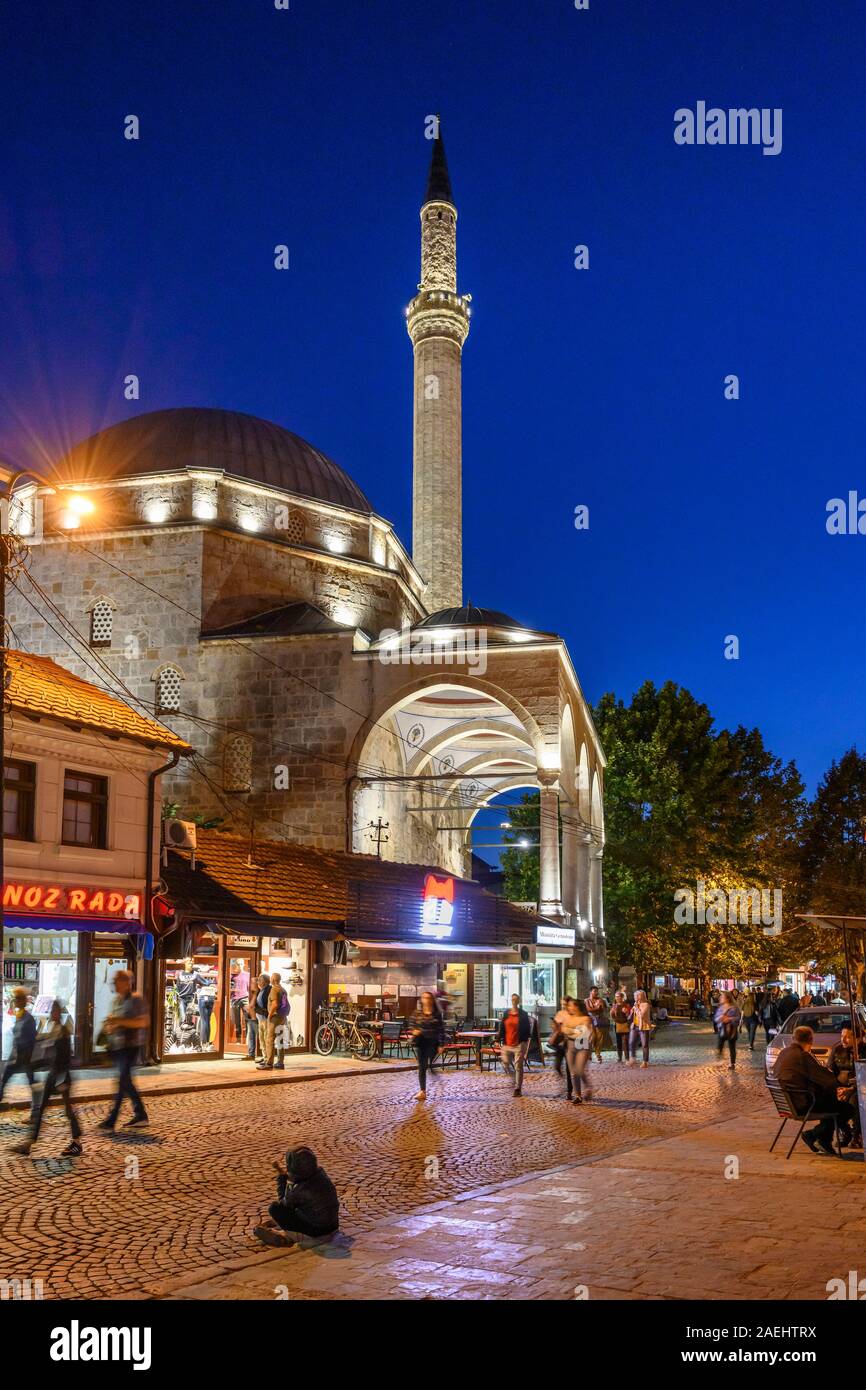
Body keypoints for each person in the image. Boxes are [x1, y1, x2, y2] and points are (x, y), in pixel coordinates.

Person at [11, 1000, 82, 1157]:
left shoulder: (62, 1031)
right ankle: (29, 1142)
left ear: (59, 1012)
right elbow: (50, 1056)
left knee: (68, 1110)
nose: (52, 1013)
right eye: (51, 1011)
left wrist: (61, 1078)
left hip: (61, 1077)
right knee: (42, 1108)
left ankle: (76, 1142)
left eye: (54, 1011)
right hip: (53, 1075)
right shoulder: (54, 1028)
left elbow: (64, 1058)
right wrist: (36, 1064)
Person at [773, 1024, 857, 1156]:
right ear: (810, 1040)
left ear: (794, 1038)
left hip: (788, 1103)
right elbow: (826, 1079)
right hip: (804, 1103)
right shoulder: (803, 1056)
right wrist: (840, 1087)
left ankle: (824, 1140)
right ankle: (814, 1135)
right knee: (846, 1109)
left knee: (831, 1102)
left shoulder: (784, 1053)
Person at [254, 1145, 340, 1247]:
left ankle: (289, 1236)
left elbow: (283, 1204)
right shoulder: (322, 1174)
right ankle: (287, 1233)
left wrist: (282, 1180)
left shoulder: (297, 1189)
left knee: (274, 1208)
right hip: (333, 1225)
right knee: (303, 1208)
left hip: (316, 1230)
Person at [98, 970, 149, 1131]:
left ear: (127, 982)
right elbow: (113, 1021)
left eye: (117, 980)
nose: (114, 983)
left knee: (122, 1081)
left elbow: (143, 1022)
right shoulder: (115, 1001)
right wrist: (109, 1027)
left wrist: (119, 1021)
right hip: (118, 1046)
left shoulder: (136, 1000)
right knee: (124, 1081)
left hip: (131, 1046)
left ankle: (112, 1120)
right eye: (113, 980)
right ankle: (140, 1115)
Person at [0, 987, 37, 1114]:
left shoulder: (28, 1018)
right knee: (4, 1079)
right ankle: (36, 1111)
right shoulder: (20, 1016)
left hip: (25, 1057)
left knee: (32, 1083)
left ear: (22, 1001)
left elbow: (32, 1038)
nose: (14, 1001)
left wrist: (25, 1054)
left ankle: (36, 1111)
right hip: (17, 1055)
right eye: (14, 998)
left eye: (16, 999)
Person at [829, 1027, 863, 1149]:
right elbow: (831, 1071)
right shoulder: (837, 1050)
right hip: (840, 1087)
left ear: (857, 1039)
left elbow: (863, 1075)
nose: (843, 1039)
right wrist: (836, 1088)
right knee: (830, 1100)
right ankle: (844, 1132)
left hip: (857, 1088)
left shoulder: (862, 1052)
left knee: (855, 1101)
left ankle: (857, 1134)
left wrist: (851, 1088)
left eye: (847, 1036)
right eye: (841, 1035)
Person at [410, 990, 443, 1100]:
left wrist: (441, 1044)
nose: (426, 1000)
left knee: (430, 1063)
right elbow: (411, 1024)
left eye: (428, 998)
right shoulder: (417, 1013)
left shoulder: (437, 1014)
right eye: (424, 998)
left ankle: (432, 1069)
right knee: (422, 1067)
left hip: (433, 1042)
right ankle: (422, 1091)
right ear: (421, 1000)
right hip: (421, 1042)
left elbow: (441, 1029)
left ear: (432, 1000)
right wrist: (414, 1031)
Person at [560, 997, 593, 1104]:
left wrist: (571, 1031)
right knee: (573, 1073)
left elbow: (584, 1033)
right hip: (570, 1046)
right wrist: (575, 1030)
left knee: (579, 1069)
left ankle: (588, 1087)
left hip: (582, 1045)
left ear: (577, 1006)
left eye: (570, 1005)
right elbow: (563, 1029)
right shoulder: (568, 1018)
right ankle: (578, 1095)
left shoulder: (585, 1019)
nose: (568, 1007)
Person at [497, 993, 531, 1097]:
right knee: (506, 1063)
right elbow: (502, 1027)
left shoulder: (523, 1014)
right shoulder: (506, 1013)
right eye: (512, 999)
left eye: (516, 999)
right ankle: (513, 1078)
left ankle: (517, 1088)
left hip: (519, 1044)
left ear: (518, 1001)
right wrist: (498, 1039)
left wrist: (524, 1042)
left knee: (518, 1066)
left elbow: (527, 1029)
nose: (514, 1001)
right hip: (507, 1043)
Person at [257, 971, 289, 1071]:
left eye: (271, 978)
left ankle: (269, 1063)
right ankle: (280, 1062)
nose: (270, 979)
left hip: (275, 1018)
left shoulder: (274, 990)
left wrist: (270, 1015)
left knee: (269, 1039)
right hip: (282, 1017)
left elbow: (275, 1004)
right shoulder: (283, 989)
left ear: (273, 980)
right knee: (280, 1039)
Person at [714, 991, 741, 1070]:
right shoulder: (720, 1008)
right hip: (722, 1029)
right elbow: (716, 1018)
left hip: (732, 1030)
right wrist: (721, 1019)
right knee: (720, 1045)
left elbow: (738, 1018)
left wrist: (729, 1019)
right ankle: (720, 1060)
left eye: (722, 997)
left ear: (727, 998)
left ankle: (732, 1063)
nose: (720, 998)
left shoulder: (734, 1008)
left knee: (732, 1047)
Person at [627, 989, 652, 1067]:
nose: (635, 997)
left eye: (637, 995)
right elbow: (631, 1016)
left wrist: (636, 1008)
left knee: (644, 1045)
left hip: (643, 1027)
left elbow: (641, 1015)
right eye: (635, 996)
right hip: (635, 1026)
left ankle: (645, 1061)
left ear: (641, 996)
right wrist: (630, 1012)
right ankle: (633, 1058)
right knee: (631, 1042)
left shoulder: (646, 1005)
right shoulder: (635, 1004)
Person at [585, 987, 610, 1062]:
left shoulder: (600, 999)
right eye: (595, 991)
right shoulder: (587, 1000)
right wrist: (597, 1007)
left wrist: (598, 1008)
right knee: (592, 1037)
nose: (596, 992)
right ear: (590, 992)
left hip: (599, 1020)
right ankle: (589, 1053)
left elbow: (603, 1009)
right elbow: (589, 1009)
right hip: (590, 1020)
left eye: (597, 991)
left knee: (600, 1037)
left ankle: (597, 1053)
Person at [550, 997, 572, 1075]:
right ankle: (559, 1068)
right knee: (558, 1062)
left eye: (565, 1004)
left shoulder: (572, 1014)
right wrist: (555, 1025)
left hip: (569, 1040)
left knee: (569, 1065)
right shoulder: (560, 1013)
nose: (563, 1006)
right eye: (562, 1004)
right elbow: (553, 1025)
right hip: (560, 1039)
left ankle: (570, 1085)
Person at [611, 991, 632, 1063]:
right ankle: (619, 1058)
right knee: (618, 1042)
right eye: (616, 996)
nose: (617, 998)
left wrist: (626, 1012)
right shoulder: (614, 1006)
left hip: (625, 1024)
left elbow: (629, 1016)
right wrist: (612, 1014)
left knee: (625, 1041)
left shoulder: (626, 1005)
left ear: (622, 997)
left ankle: (627, 1058)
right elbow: (612, 1016)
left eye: (618, 996)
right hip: (617, 1024)